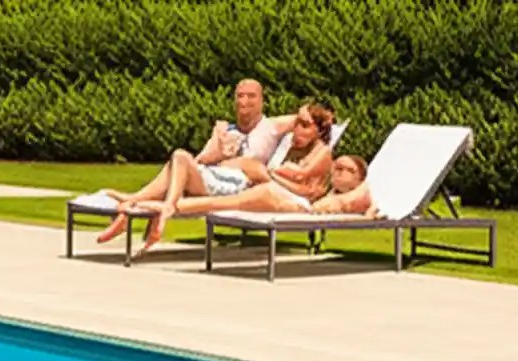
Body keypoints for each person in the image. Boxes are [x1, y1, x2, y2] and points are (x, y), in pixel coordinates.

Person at [95, 79, 307, 245]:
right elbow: (201, 161)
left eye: (251, 96)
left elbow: (308, 117)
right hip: (209, 177)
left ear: (262, 100)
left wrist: (323, 128)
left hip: (234, 184)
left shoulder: (272, 126)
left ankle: (147, 203)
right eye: (240, 96)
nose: (244, 101)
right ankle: (131, 205)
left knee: (179, 157)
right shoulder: (224, 130)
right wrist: (220, 151)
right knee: (178, 164)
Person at [123, 102, 336, 256]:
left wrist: (270, 177)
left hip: (297, 204)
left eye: (305, 125)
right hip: (273, 192)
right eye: (296, 122)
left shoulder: (322, 153)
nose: (296, 128)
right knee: (222, 196)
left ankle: (161, 206)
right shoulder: (290, 145)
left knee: (222, 202)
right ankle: (160, 205)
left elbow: (306, 190)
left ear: (320, 131)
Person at [133, 153, 374, 219]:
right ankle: (169, 205)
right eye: (337, 168)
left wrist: (371, 214)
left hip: (297, 208)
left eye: (348, 170)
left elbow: (372, 208)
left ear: (360, 178)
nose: (340, 172)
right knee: (223, 202)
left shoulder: (359, 193)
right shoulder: (327, 191)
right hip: (289, 201)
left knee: (222, 202)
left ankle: (167, 206)